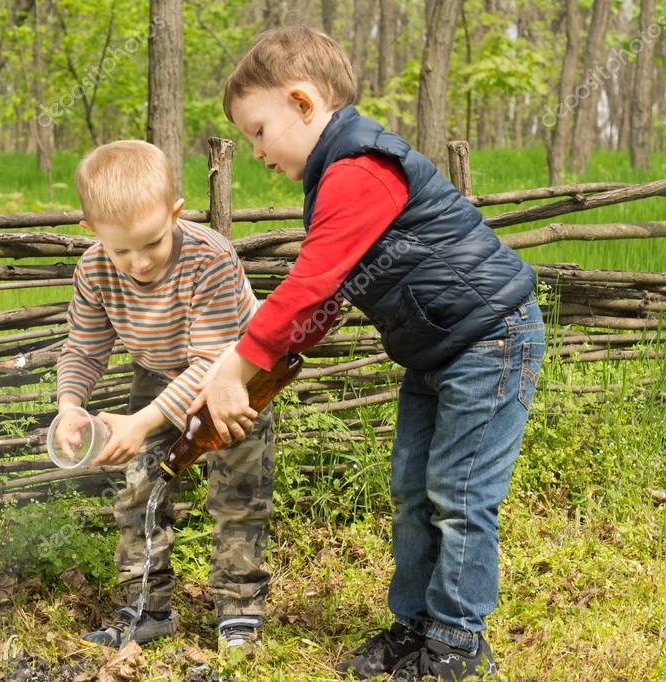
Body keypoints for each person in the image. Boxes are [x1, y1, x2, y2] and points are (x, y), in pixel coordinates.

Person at [189, 27, 545, 679]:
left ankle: (457, 643)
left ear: (301, 102)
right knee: (413, 490)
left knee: (458, 493)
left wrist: (234, 366)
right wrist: (263, 365)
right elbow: (328, 302)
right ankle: (414, 627)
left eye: (257, 130)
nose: (255, 150)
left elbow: (312, 281)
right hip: (433, 351)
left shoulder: (359, 165)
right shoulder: (333, 176)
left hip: (489, 337)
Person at [54, 140, 274, 652]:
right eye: (121, 250)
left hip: (235, 378)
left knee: (237, 494)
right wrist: (70, 405)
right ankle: (146, 609)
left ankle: (239, 612)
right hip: (156, 375)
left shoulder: (210, 257)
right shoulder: (94, 268)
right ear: (93, 234)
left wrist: (141, 422)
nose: (138, 263)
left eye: (151, 244)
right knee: (137, 491)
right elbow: (83, 348)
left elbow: (210, 368)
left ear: (176, 214)